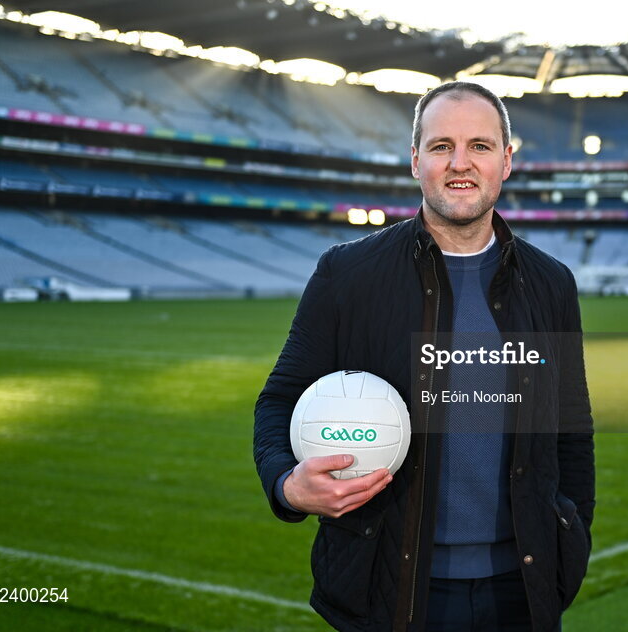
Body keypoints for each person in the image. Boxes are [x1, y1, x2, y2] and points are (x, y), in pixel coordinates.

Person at [253, 81, 594, 632]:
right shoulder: (347, 275)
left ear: (506, 161)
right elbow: (279, 400)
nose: (461, 163)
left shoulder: (551, 284)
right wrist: (286, 485)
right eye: (441, 147)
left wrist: (571, 535)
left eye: (480, 146)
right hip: (392, 592)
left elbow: (572, 434)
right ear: (416, 161)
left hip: (523, 593)